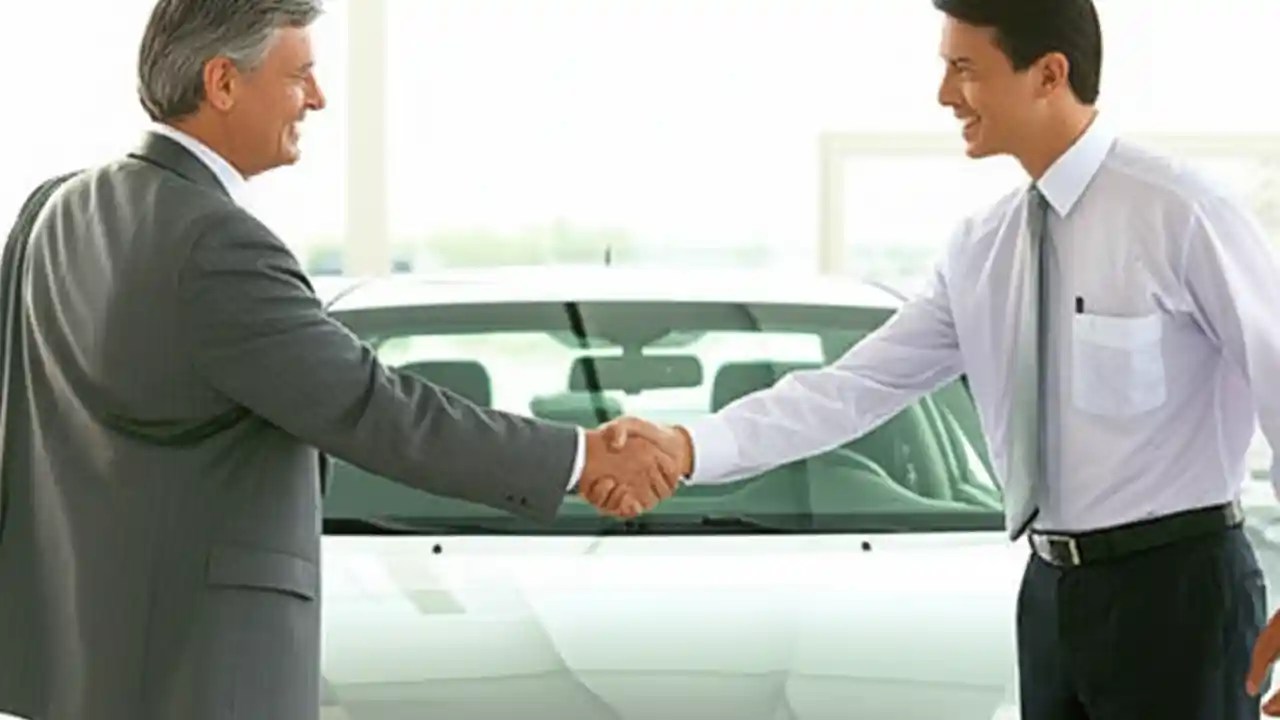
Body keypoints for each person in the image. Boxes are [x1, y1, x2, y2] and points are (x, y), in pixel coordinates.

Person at [602, 0, 1280, 717]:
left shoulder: (1180, 211)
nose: (945, 94)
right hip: (1049, 594)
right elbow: (856, 386)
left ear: (1049, 74)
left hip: (1179, 594)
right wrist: (686, 445)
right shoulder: (983, 248)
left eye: (965, 69)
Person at [0, 1, 678, 719]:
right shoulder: (215, 244)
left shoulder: (51, 210)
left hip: (74, 666)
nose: (317, 100)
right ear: (222, 82)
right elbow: (372, 408)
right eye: (302, 76)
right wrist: (581, 457)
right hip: (200, 671)